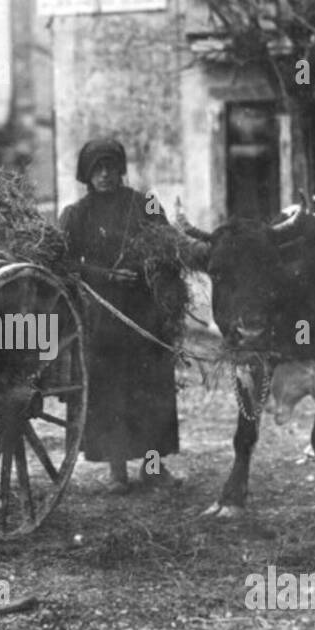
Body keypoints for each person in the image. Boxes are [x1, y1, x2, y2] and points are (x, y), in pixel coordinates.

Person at [60, 138, 183, 494]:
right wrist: (105, 275)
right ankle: (117, 472)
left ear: (121, 170)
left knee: (152, 390)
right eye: (97, 169)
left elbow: (167, 246)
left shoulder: (142, 204)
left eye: (111, 168)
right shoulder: (77, 214)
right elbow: (66, 263)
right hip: (104, 316)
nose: (105, 176)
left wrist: (152, 270)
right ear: (87, 174)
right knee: (111, 392)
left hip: (145, 314)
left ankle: (153, 467)